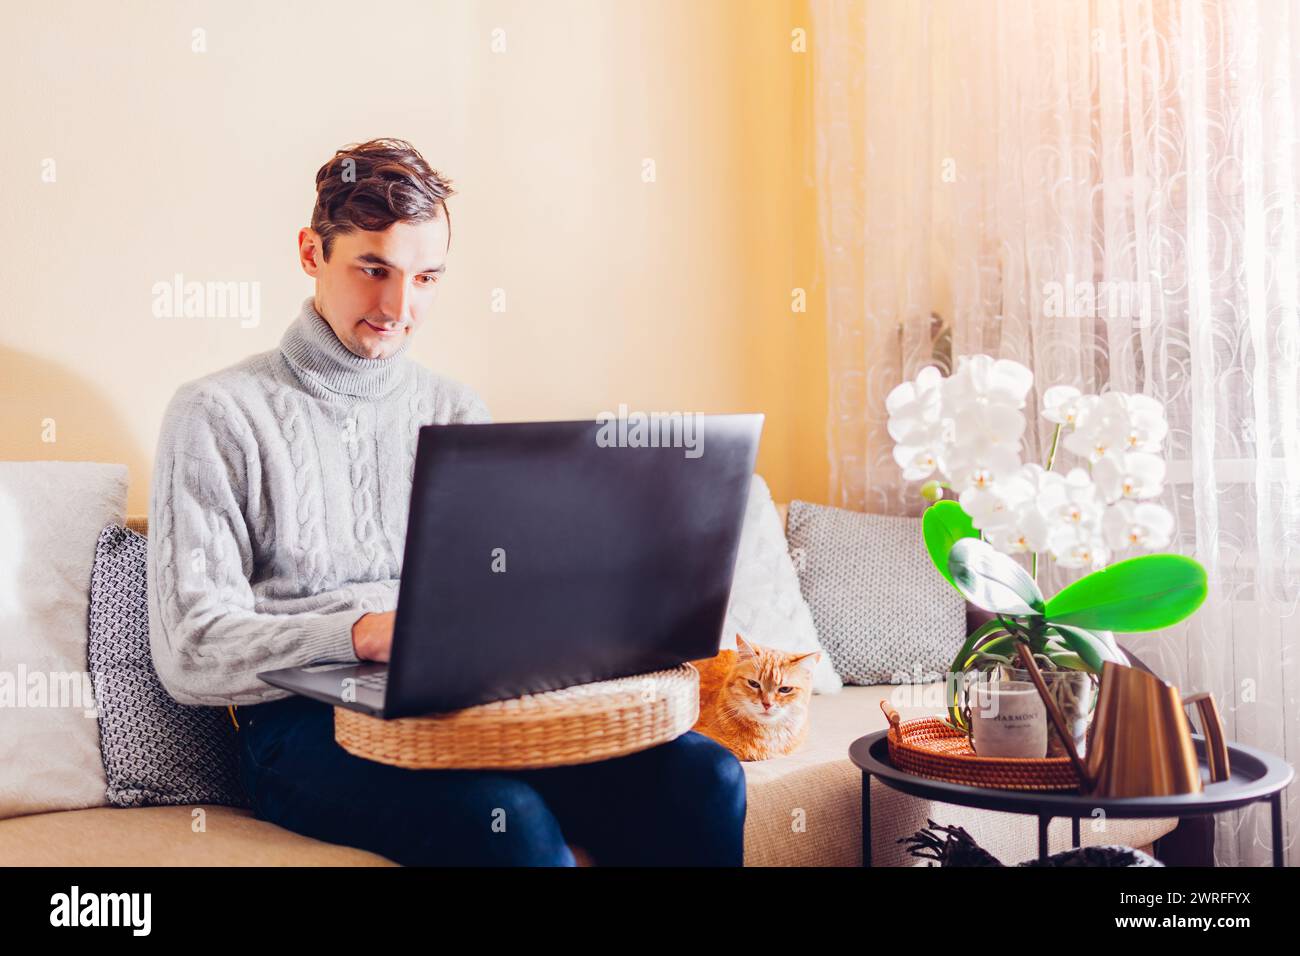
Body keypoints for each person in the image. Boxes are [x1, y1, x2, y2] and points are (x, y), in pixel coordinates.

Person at [145, 138, 746, 866]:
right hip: (303, 732)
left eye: (426, 278)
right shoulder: (216, 414)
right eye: (374, 270)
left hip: (469, 716)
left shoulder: (455, 410)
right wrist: (359, 633)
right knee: (508, 821)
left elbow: (500, 599)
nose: (400, 307)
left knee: (704, 776)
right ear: (311, 253)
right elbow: (189, 648)